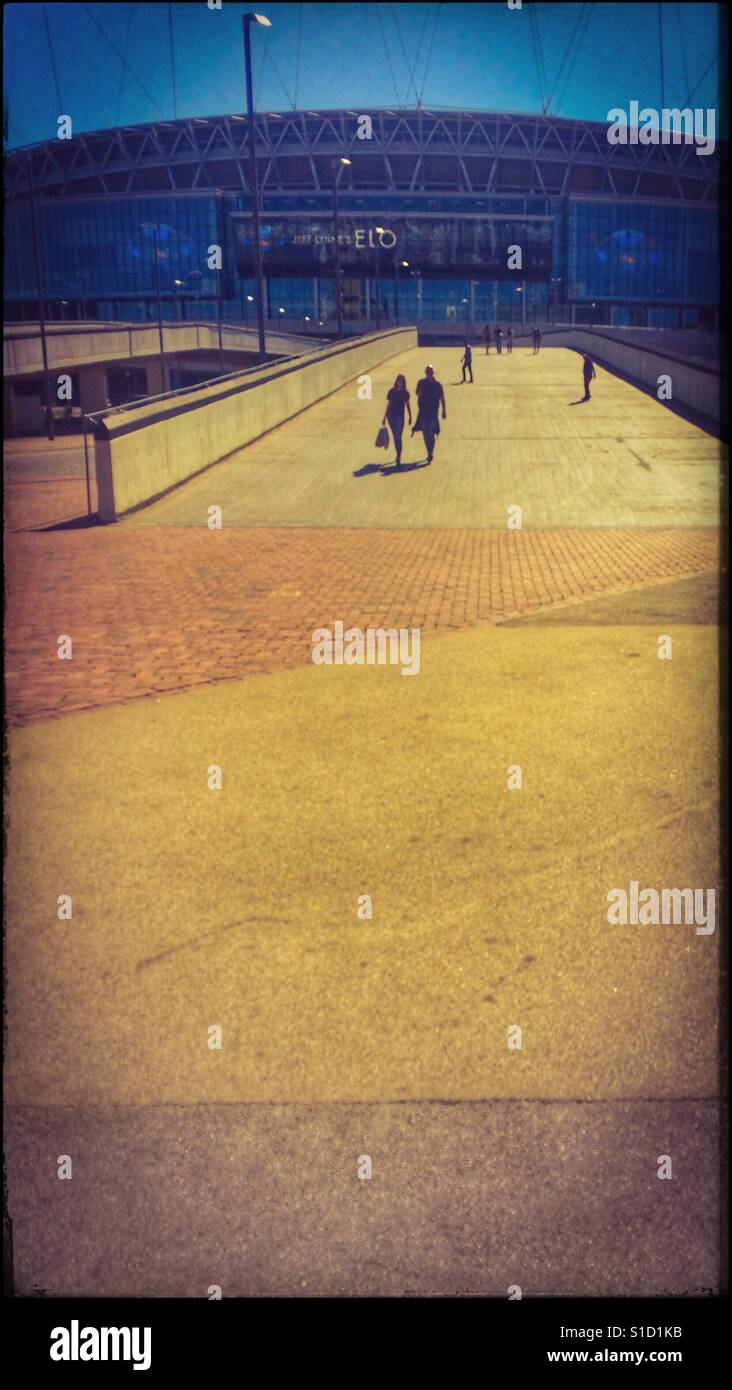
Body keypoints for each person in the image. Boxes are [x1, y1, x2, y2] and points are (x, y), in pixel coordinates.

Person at [413, 363, 447, 464]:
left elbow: (442, 398)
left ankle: (430, 451)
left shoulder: (438, 385)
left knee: (431, 434)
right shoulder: (421, 383)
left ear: (433, 373)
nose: (429, 374)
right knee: (425, 435)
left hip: (433, 413)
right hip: (423, 412)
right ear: (425, 373)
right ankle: (429, 451)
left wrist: (444, 411)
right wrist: (421, 392)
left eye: (430, 372)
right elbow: (417, 394)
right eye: (427, 372)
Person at [382, 373, 412, 466]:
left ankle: (398, 455)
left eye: (401, 381)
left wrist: (410, 416)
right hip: (391, 417)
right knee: (395, 437)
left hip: (400, 417)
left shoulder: (405, 393)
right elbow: (389, 404)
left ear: (403, 383)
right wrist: (384, 417)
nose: (399, 382)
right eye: (398, 380)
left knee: (397, 437)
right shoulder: (391, 392)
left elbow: (407, 405)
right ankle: (398, 453)